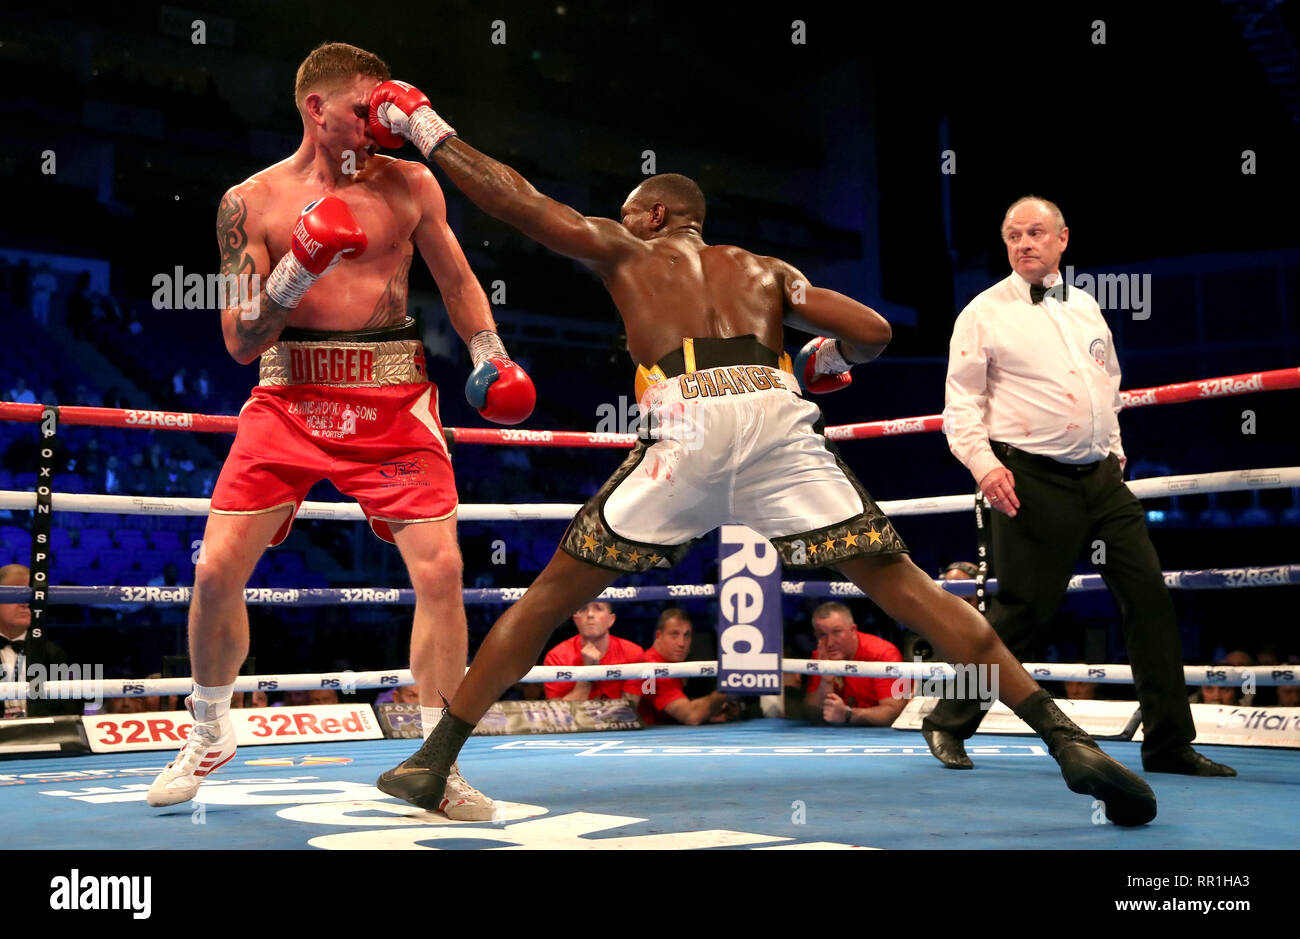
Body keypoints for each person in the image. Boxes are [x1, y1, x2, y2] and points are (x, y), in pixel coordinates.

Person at [370, 83, 1159, 827]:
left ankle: (433, 763)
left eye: (627, 210)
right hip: (778, 413)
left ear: (652, 214)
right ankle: (1067, 740)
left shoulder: (629, 249)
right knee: (911, 590)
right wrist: (821, 363)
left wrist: (426, 129)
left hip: (687, 422)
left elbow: (520, 202)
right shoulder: (767, 269)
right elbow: (876, 332)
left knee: (546, 599)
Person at [146, 43, 535, 823]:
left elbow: (459, 281)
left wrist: (490, 355)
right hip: (289, 396)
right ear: (315, 110)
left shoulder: (411, 181)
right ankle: (210, 729)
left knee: (441, 568)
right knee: (218, 566)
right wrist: (302, 264)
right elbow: (239, 340)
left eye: (387, 104)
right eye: (366, 107)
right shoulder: (247, 203)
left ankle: (437, 758)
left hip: (392, 396)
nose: (381, 119)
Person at [922, 195, 1233, 778]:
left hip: (1101, 480)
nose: (1023, 244)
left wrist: (1113, 446)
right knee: (1021, 614)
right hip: (1027, 477)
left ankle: (1168, 743)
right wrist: (985, 466)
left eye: (1035, 232)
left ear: (1063, 239)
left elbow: (1107, 383)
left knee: (1149, 599)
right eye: (1013, 235)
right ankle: (948, 718)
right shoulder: (982, 313)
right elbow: (959, 408)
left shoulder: (1088, 306)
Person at [803, 602, 907, 726]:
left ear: (853, 630)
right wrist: (825, 682)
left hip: (881, 737)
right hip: (838, 736)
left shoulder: (883, 654)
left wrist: (848, 714)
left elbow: (895, 712)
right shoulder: (821, 655)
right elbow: (811, 714)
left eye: (836, 632)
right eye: (822, 635)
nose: (830, 643)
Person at [0, 564, 82, 719]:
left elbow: (69, 707)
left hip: (40, 736)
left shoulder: (52, 653)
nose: (25, 603)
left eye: (29, 595)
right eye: (16, 594)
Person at [630, 608, 737, 725]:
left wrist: (713, 712)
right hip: (651, 739)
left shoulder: (684, 663)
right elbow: (692, 716)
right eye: (674, 635)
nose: (682, 643)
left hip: (671, 732)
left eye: (687, 635)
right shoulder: (652, 669)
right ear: (658, 636)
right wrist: (728, 686)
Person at [542, 601, 644, 700]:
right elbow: (559, 713)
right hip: (575, 718)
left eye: (598, 608)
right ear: (575, 619)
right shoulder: (556, 657)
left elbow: (631, 708)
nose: (590, 614)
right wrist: (587, 675)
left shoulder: (632, 653)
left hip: (617, 717)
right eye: (583, 609)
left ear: (611, 619)